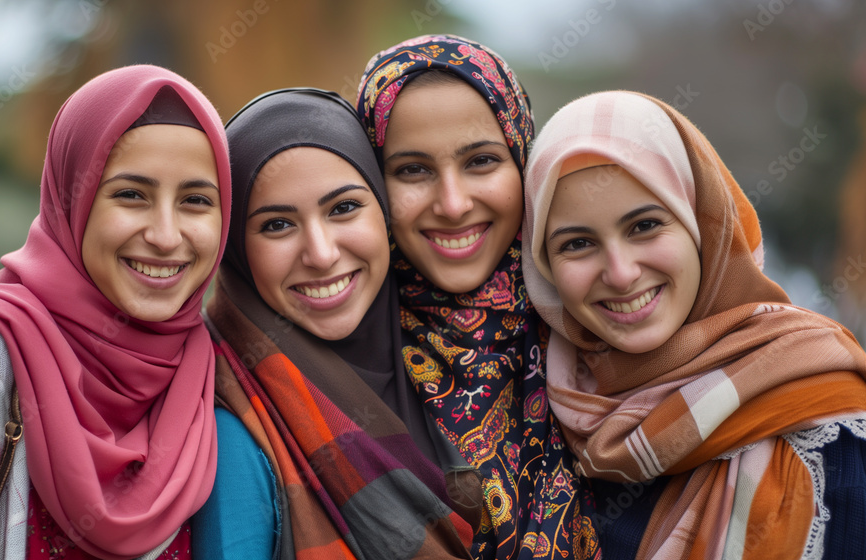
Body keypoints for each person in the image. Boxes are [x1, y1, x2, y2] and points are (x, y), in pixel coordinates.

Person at [0, 64, 243, 559]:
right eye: (131, 195)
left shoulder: (219, 370)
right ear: (73, 199)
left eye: (196, 200)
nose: (166, 235)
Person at [522, 89, 866, 559]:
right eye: (578, 243)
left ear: (704, 227)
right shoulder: (532, 413)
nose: (620, 273)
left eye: (644, 225)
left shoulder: (825, 419)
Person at [356, 35, 601, 560]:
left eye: (482, 161)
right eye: (412, 170)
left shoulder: (603, 329)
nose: (452, 202)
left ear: (523, 160)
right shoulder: (341, 360)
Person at [204, 87, 474, 559]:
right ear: (234, 250)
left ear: (385, 214)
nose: (322, 254)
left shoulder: (471, 357)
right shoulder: (228, 426)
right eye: (276, 225)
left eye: (344, 208)